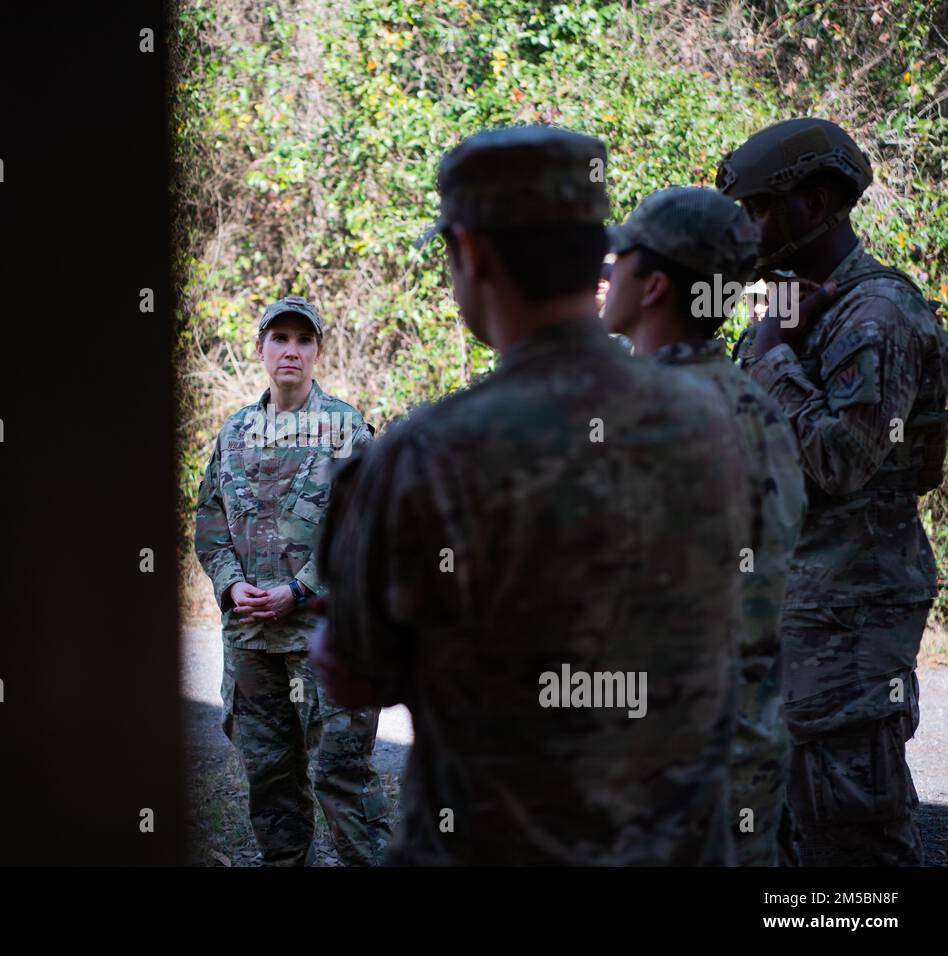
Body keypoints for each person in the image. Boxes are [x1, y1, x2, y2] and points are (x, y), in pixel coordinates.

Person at [311, 126, 752, 865]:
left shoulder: (427, 453)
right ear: (594, 257)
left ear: (473, 253)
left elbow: (355, 674)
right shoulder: (711, 419)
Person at [717, 117, 948, 865]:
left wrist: (778, 356)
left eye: (758, 210)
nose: (747, 230)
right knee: (781, 833)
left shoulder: (876, 313)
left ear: (815, 204)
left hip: (847, 616)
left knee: (850, 838)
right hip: (786, 608)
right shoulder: (786, 309)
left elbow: (844, 461)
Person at [601, 185, 807, 864]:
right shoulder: (758, 406)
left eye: (620, 257)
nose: (606, 271)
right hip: (746, 747)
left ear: (655, 284)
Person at [194, 294, 392, 866]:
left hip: (324, 639)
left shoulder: (345, 429)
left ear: (317, 353)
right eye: (279, 338)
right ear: (260, 349)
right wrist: (232, 586)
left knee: (341, 778)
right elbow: (209, 521)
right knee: (269, 778)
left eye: (304, 340)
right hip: (252, 643)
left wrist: (300, 590)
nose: (291, 351)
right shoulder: (234, 433)